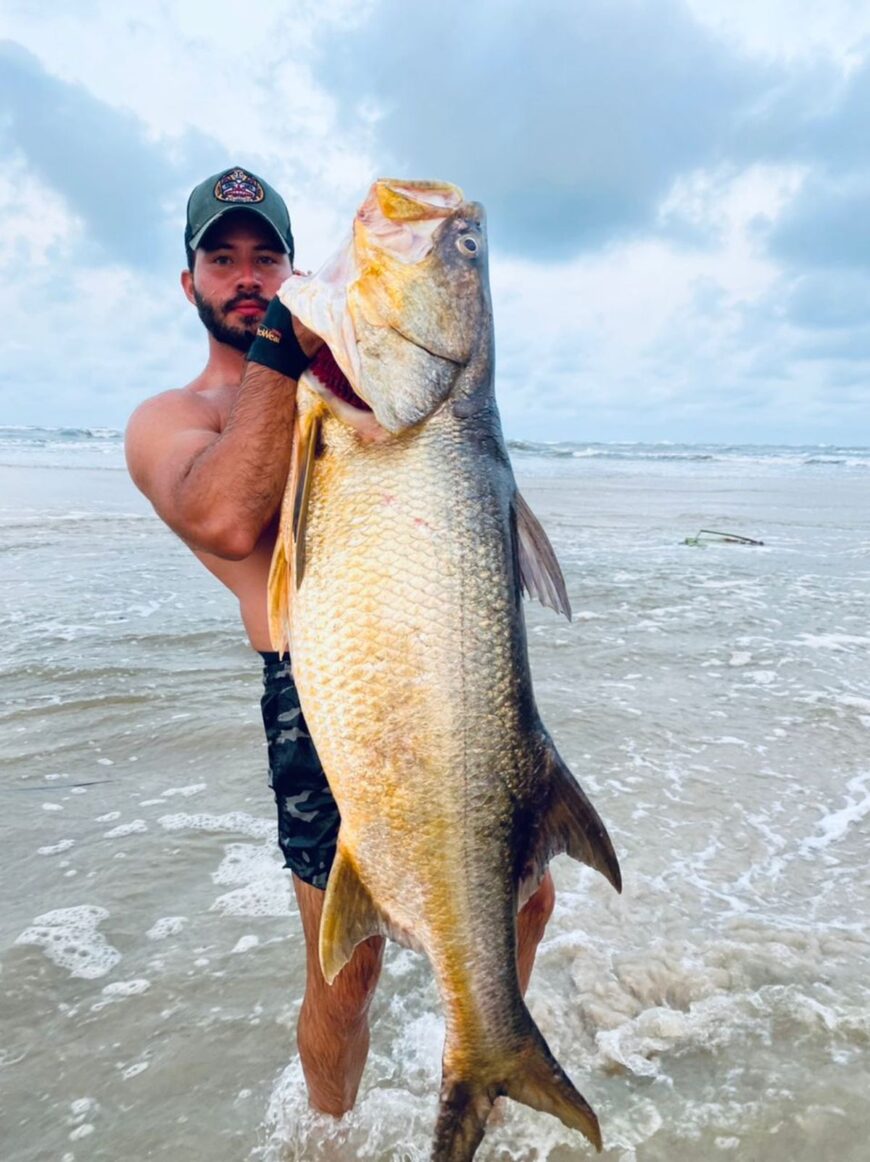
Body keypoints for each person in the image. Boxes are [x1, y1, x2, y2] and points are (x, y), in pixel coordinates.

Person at [125, 166, 557, 1118]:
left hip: (447, 674)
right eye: (222, 259)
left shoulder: (348, 368)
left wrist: (337, 340)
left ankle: (484, 1044)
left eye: (266, 257)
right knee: (346, 971)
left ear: (293, 262)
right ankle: (330, 1135)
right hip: (329, 699)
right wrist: (292, 339)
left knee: (524, 900)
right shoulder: (174, 420)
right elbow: (233, 520)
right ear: (187, 281)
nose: (248, 275)